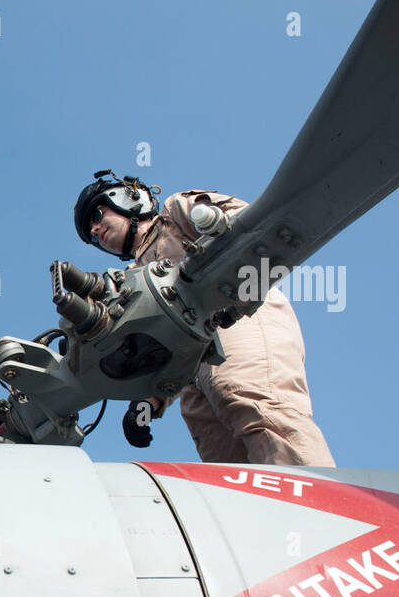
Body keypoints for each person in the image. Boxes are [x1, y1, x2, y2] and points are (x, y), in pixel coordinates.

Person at [73, 170, 334, 466]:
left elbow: (256, 225)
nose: (95, 231)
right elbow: (159, 346)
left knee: (258, 408)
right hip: (193, 368)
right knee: (222, 458)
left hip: (237, 316)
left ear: (128, 199)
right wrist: (148, 402)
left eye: (96, 215)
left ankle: (315, 500)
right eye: (89, 234)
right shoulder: (132, 280)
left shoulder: (177, 213)